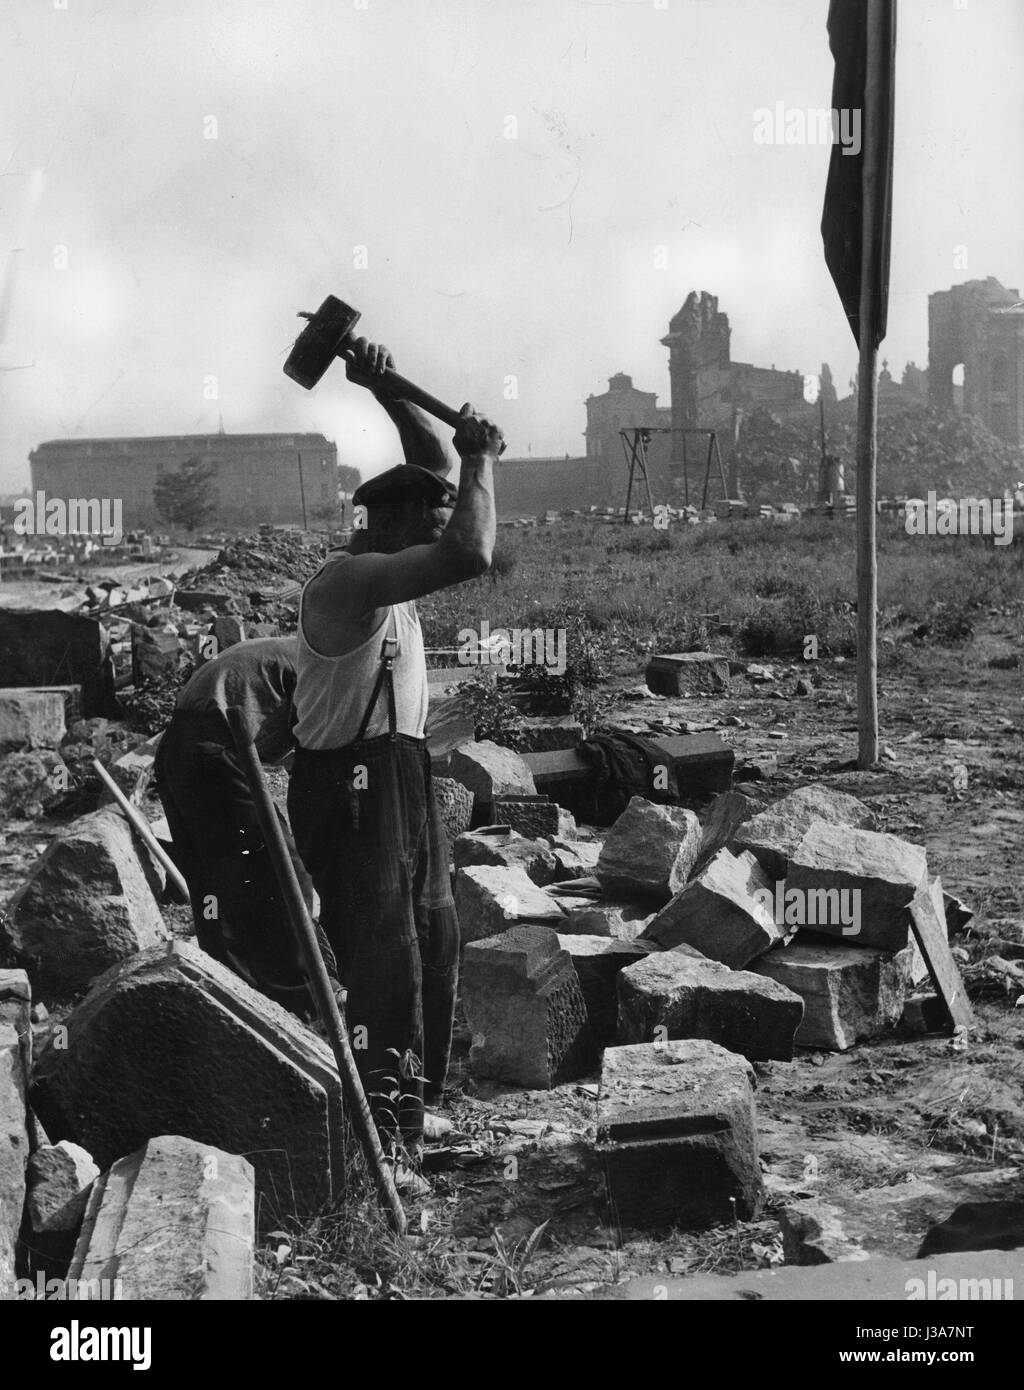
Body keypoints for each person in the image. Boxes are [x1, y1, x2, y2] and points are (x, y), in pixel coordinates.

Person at [288, 337, 502, 1154]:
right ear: (389, 525)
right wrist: (479, 457)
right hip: (350, 786)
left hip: (400, 772)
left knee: (435, 936)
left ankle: (419, 1097)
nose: (433, 530)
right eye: (424, 520)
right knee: (384, 957)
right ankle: (385, 1127)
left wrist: (382, 385)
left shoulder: (388, 560)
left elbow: (423, 467)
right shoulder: (352, 582)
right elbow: (470, 550)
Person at [154, 634, 329, 1011]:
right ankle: (302, 997)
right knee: (280, 867)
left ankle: (230, 989)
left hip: (177, 748)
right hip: (211, 747)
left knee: (212, 876)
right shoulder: (322, 664)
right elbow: (315, 755)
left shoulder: (288, 653)